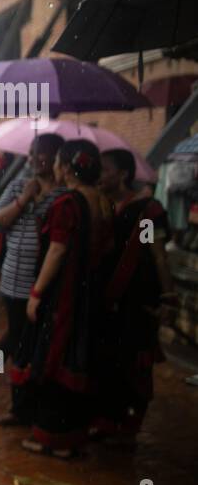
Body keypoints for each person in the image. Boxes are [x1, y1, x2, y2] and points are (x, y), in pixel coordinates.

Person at [11, 140, 113, 457]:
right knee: (78, 360)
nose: (55, 166)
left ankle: (53, 439)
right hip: (91, 294)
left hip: (64, 296)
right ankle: (72, 435)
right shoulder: (103, 201)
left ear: (67, 168)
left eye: (58, 161)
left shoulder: (67, 202)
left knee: (54, 361)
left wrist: (37, 292)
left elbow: (57, 249)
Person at [95, 149, 176, 442]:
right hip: (106, 298)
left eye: (104, 170)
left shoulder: (147, 210)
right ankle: (106, 421)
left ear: (123, 175)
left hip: (137, 298)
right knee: (107, 359)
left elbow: (157, 256)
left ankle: (128, 427)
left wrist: (168, 297)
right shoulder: (101, 205)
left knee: (134, 363)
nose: (99, 175)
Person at [0, 133, 65, 423]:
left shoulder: (66, 193)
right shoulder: (20, 185)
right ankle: (19, 406)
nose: (35, 158)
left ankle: (30, 402)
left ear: (57, 157)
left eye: (43, 153)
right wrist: (23, 199)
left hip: (47, 283)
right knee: (19, 340)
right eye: (33, 152)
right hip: (13, 280)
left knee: (36, 344)